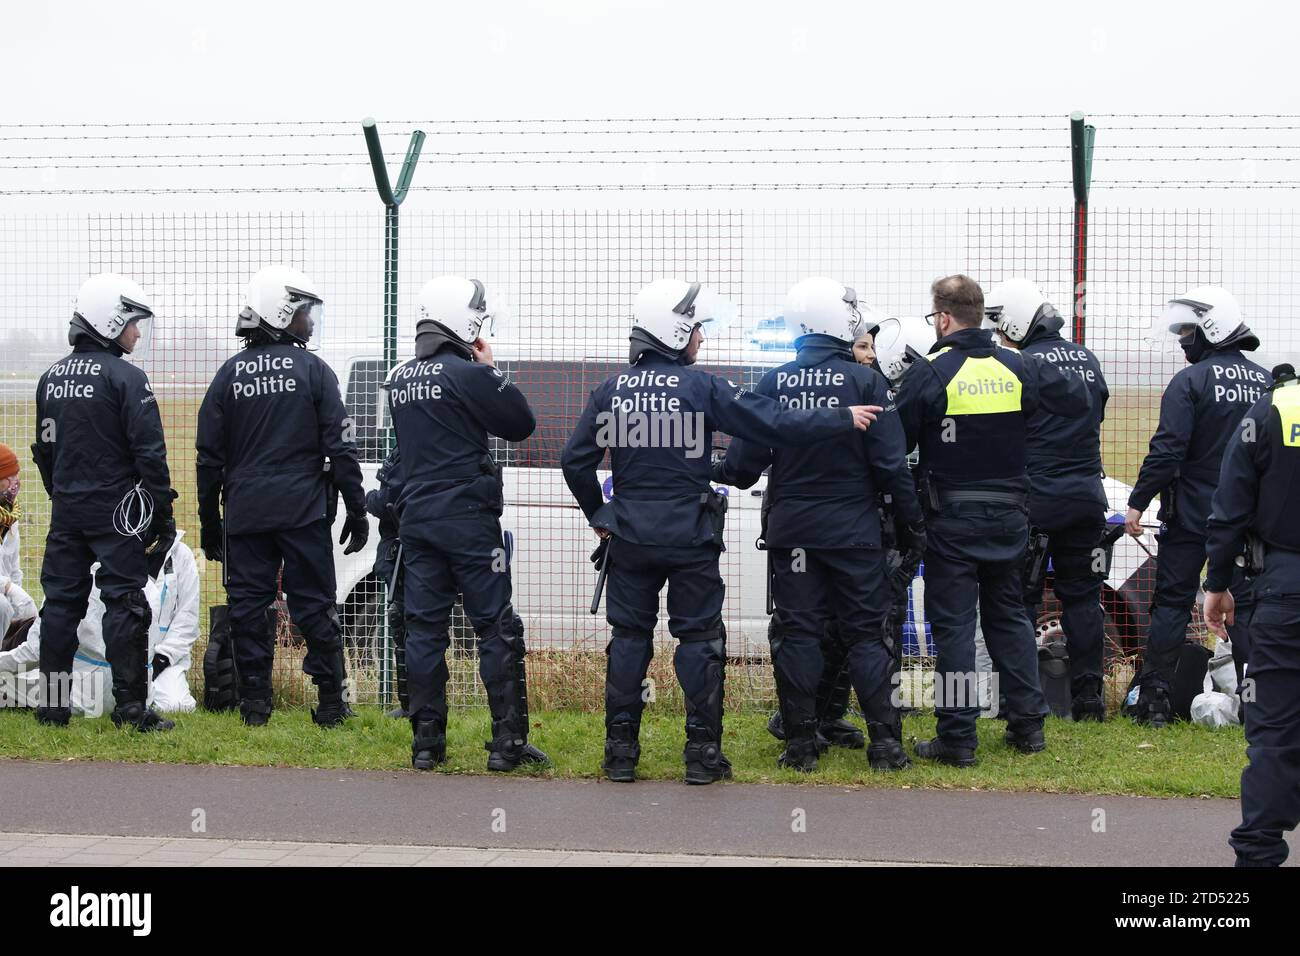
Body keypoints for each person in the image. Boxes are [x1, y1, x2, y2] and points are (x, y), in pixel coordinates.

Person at [561, 277, 879, 784]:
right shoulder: (702, 387)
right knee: (701, 641)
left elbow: (573, 461)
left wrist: (599, 515)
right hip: (689, 537)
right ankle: (702, 756)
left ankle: (620, 754)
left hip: (630, 538)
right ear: (676, 330)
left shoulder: (610, 391)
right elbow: (770, 422)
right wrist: (839, 420)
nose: (703, 339)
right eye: (698, 329)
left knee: (628, 641)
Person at [714, 278, 924, 772]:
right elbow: (892, 467)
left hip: (793, 534)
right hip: (854, 531)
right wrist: (913, 529)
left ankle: (801, 746)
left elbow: (743, 468)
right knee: (868, 636)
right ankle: (886, 747)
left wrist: (707, 466)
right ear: (836, 322)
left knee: (797, 634)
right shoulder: (867, 383)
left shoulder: (772, 382)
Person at [894, 275, 1090, 767]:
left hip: (952, 519)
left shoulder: (932, 371)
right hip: (1011, 518)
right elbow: (1079, 400)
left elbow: (896, 443)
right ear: (982, 316)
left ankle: (958, 738)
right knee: (1008, 620)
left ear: (942, 318)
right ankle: (1029, 726)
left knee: (956, 627)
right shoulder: (1019, 365)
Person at [196, 266, 368, 728]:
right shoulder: (314, 370)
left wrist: (211, 522)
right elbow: (341, 445)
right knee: (314, 605)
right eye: (304, 312)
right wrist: (356, 507)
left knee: (249, 609)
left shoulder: (228, 374)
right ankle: (332, 704)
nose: (310, 322)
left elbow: (208, 458)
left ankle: (255, 708)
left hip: (246, 514)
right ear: (282, 312)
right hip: (303, 511)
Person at [386, 276, 547, 772]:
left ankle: (427, 745)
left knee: (425, 632)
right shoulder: (467, 373)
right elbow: (521, 423)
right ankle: (508, 745)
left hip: (418, 522)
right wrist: (491, 369)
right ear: (464, 321)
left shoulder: (400, 378)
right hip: (470, 523)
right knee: (497, 628)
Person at [30, 273, 176, 731]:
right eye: (132, 323)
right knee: (125, 605)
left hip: (68, 511)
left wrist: (63, 495)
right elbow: (150, 453)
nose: (136, 333)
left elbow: (45, 449)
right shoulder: (128, 379)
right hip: (118, 514)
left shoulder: (50, 378)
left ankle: (52, 709)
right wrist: (161, 516)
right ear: (109, 320)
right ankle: (131, 710)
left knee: (59, 607)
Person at [1123, 286, 1269, 727]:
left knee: (1170, 604)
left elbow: (1167, 451)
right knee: (1244, 610)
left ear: (1211, 327)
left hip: (1191, 516)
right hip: (1249, 523)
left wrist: (1137, 502)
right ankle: (1254, 706)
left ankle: (1155, 704)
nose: (1183, 338)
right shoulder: (1266, 384)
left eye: (1188, 330)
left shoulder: (1190, 382)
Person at [986, 279, 1111, 720]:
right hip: (1086, 496)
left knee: (1021, 600)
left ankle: (1017, 701)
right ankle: (1089, 700)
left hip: (1036, 498)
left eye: (1002, 328)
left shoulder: (1021, 364)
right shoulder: (1087, 358)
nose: (1000, 337)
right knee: (1083, 598)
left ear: (1018, 322)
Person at [1202, 365, 1300, 866]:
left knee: (1275, 735)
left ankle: (1258, 858)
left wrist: (1217, 584)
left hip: (1284, 593)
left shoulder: (1272, 410)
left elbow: (1229, 510)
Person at [0, 534, 200, 715]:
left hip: (148, 667)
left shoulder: (177, 558)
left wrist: (162, 659)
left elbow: (186, 622)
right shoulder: (142, 587)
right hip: (121, 682)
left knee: (176, 705)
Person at [365, 446, 409, 719]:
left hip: (407, 549)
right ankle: (417, 708)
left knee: (406, 625)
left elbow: (389, 500)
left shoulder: (409, 446)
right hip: (421, 546)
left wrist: (369, 499)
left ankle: (413, 707)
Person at [0, 445, 37, 642]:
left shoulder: (10, 517)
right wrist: (8, 589)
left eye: (16, 475)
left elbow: (14, 567)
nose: (15, 482)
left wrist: (20, 600)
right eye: (9, 477)